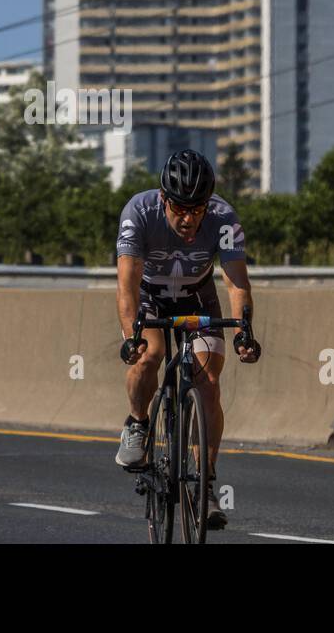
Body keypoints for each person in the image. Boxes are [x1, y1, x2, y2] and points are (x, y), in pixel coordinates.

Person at [114, 149, 259, 529]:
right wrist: (132, 336)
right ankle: (138, 424)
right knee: (149, 356)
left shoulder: (224, 218)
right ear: (164, 199)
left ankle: (205, 482)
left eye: (198, 209)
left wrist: (245, 328)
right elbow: (127, 285)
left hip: (198, 297)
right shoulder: (138, 213)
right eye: (180, 208)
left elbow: (235, 280)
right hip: (150, 298)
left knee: (208, 382)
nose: (189, 218)